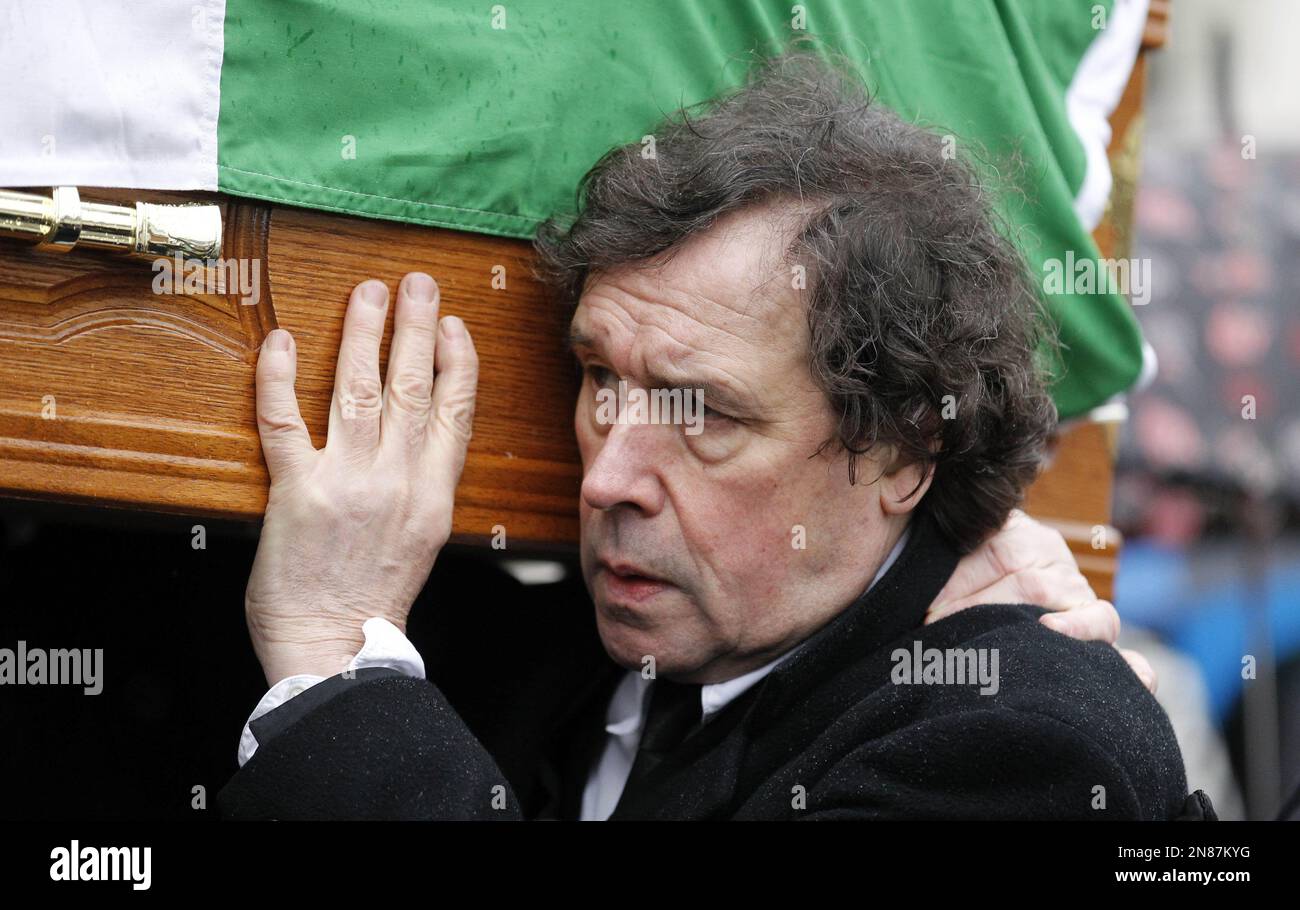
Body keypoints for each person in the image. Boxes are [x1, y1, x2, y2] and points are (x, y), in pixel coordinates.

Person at [218, 51, 1212, 820]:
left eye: (703, 414)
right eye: (600, 379)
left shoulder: (1016, 747)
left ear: (900, 453)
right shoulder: (559, 665)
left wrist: (339, 664)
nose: (608, 477)